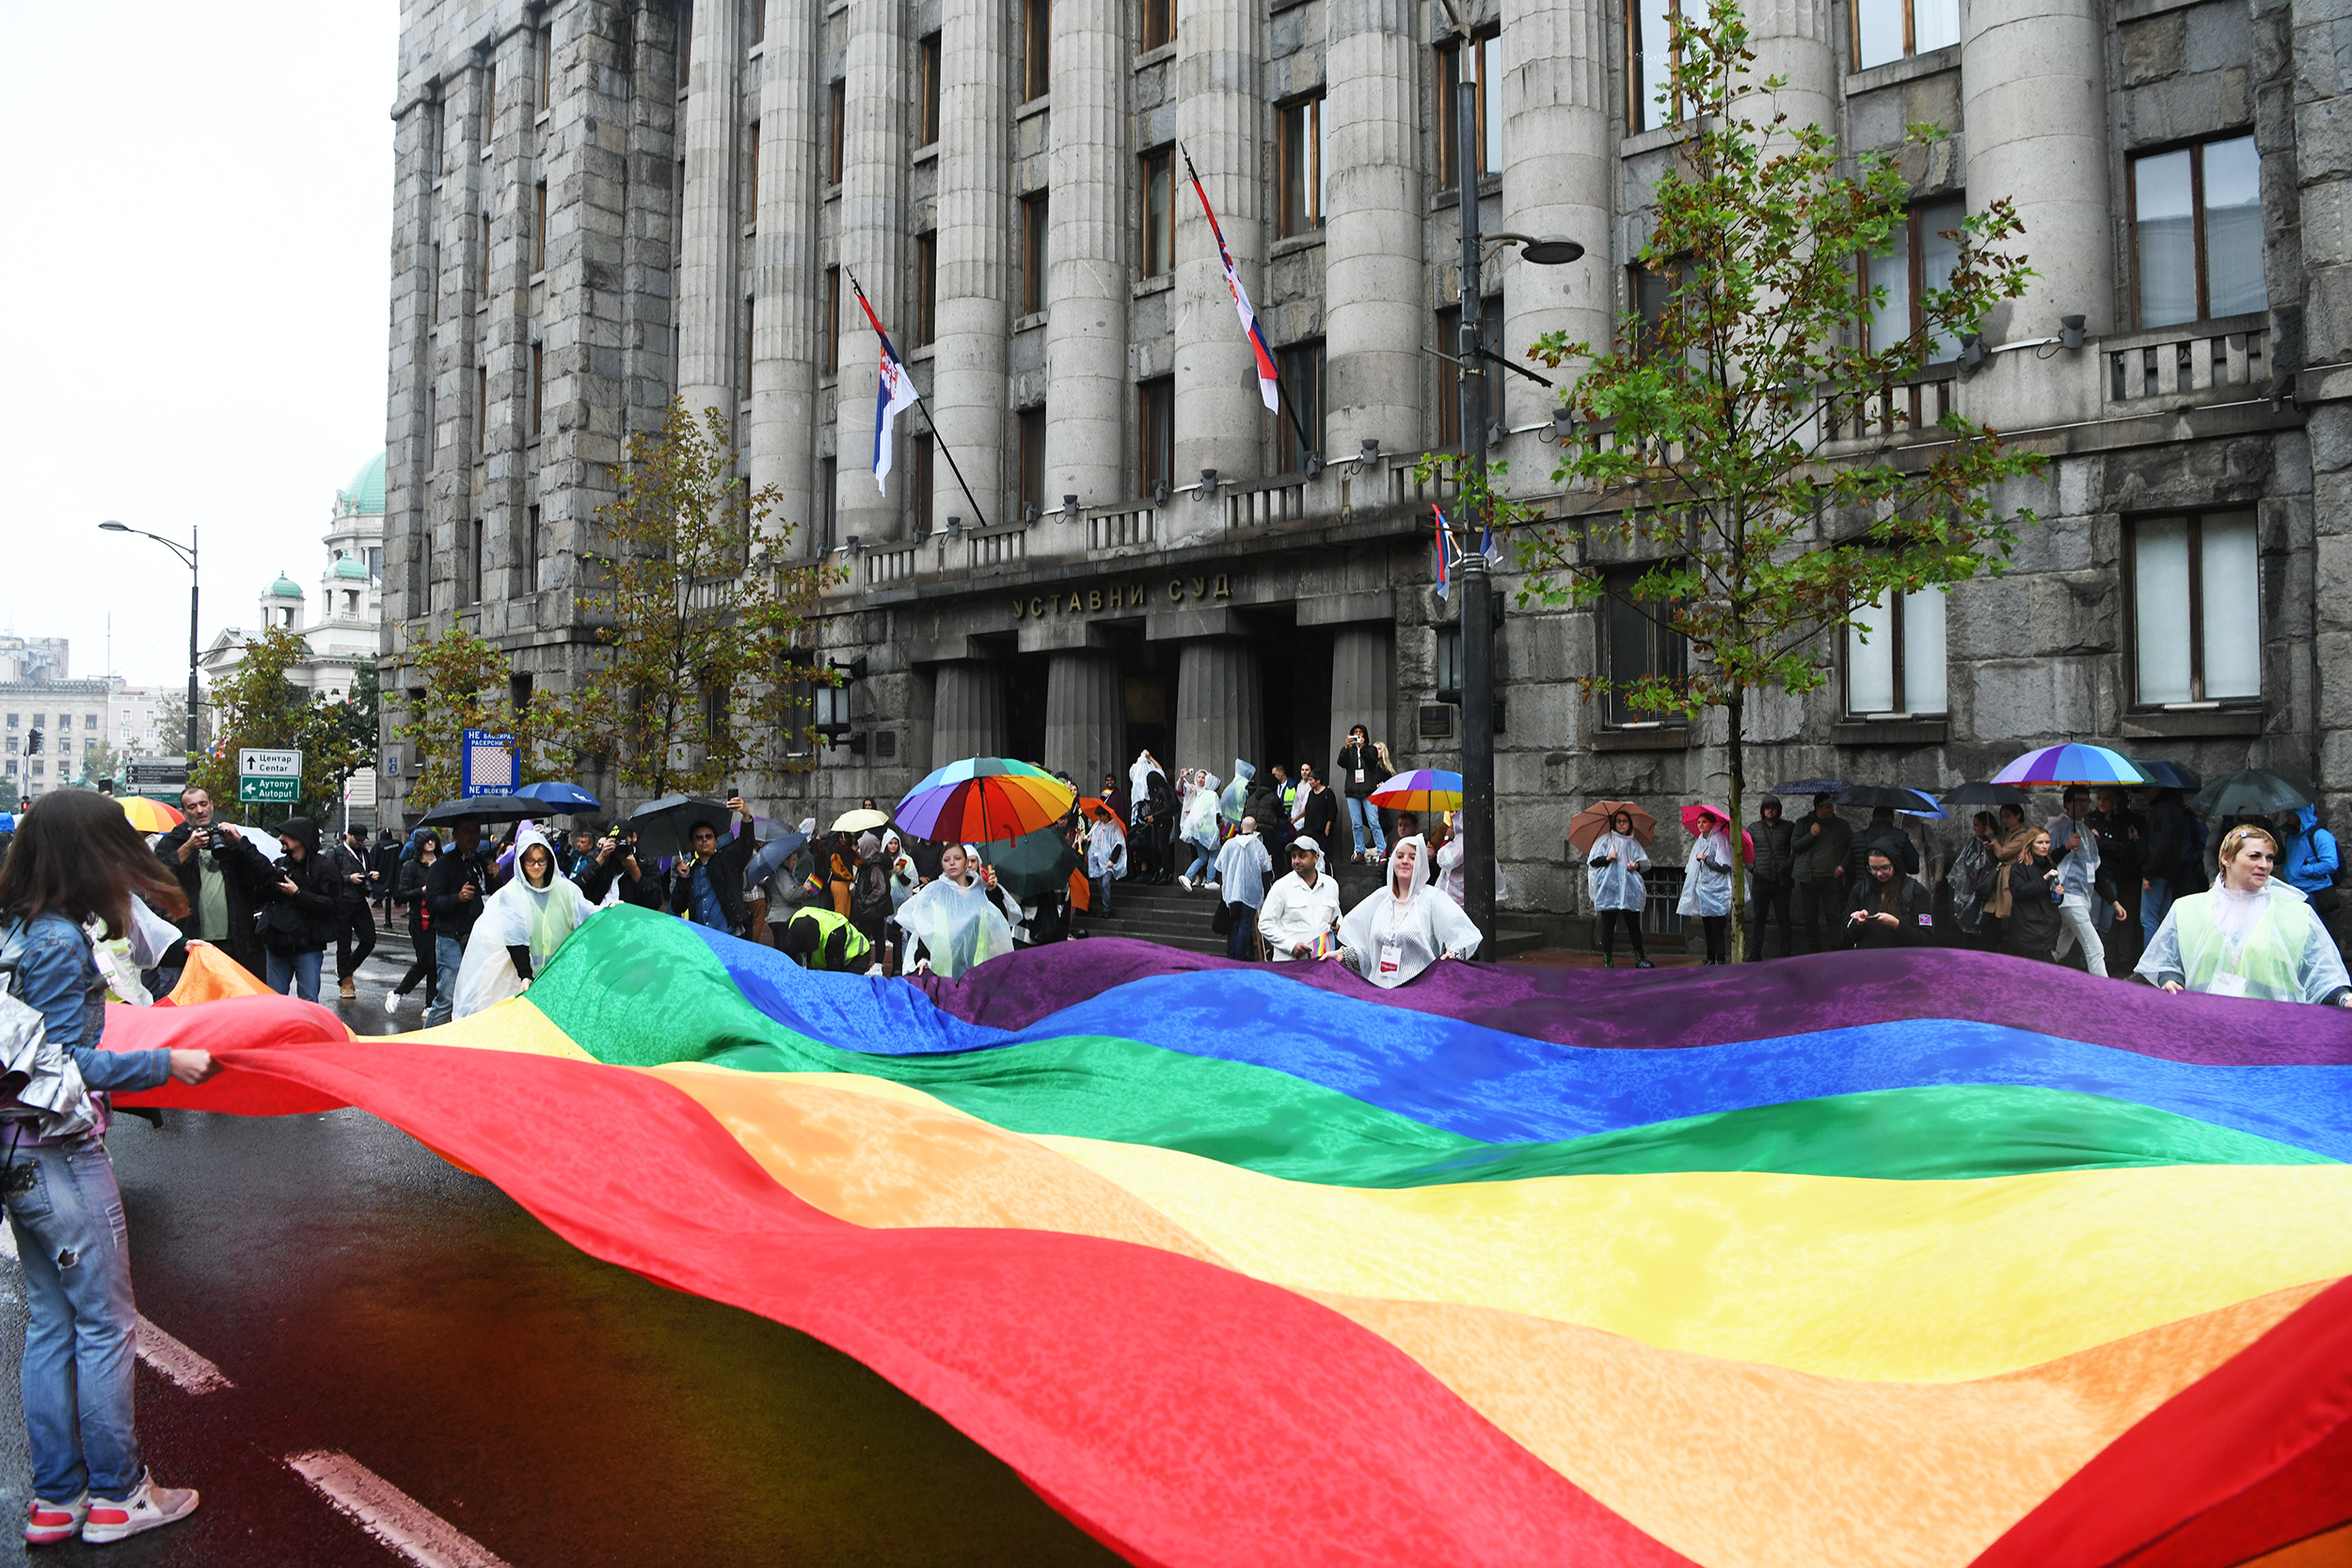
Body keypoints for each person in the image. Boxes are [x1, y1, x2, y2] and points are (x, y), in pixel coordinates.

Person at [0, 789, 216, 1546]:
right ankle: (120, 1494)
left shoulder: (20, 932)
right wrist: (165, 1062)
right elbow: (58, 1061)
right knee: (104, 1322)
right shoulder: (59, 941)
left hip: (19, 1154)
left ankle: (57, 1500)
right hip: (59, 1149)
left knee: (54, 1321)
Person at [2137, 824, 2352, 1005]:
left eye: (2269, 858)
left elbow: (2322, 969)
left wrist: (2343, 997)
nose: (2264, 865)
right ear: (2226, 859)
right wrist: (2170, 979)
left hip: (2272, 1031)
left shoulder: (2297, 914)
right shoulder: (2187, 909)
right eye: (2254, 856)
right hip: (2207, 1026)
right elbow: (2166, 960)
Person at [450, 827, 600, 1017]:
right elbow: (515, 936)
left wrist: (611, 909)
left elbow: (587, 912)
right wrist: (525, 974)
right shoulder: (511, 895)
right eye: (530, 862)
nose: (536, 867)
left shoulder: (564, 890)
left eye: (541, 861)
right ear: (521, 862)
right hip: (519, 979)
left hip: (557, 980)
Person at [151, 785, 278, 983]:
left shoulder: (228, 838)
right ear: (183, 812)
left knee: (233, 1005)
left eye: (203, 804)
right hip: (193, 941)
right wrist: (188, 848)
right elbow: (156, 877)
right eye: (192, 807)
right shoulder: (174, 841)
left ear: (211, 805)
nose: (199, 810)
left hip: (236, 941)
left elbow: (266, 874)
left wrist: (240, 843)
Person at [1335, 836, 1484, 987]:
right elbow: (1366, 951)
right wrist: (1342, 955)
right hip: (1379, 993)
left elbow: (1463, 937)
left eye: (1412, 857)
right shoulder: (1380, 898)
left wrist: (1452, 957)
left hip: (1417, 995)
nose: (1405, 861)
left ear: (1420, 863)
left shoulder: (1433, 899)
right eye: (1400, 856)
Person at [898, 844, 1017, 977]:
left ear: (966, 863)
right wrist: (923, 958)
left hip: (979, 970)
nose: (952, 863)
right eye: (946, 860)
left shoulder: (981, 890)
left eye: (957, 858)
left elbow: (1000, 921)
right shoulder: (935, 892)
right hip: (944, 972)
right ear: (942, 864)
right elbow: (926, 928)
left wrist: (993, 891)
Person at [257, 817, 342, 1003]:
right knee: (274, 1002)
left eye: (286, 835)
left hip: (307, 947)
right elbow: (264, 899)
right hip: (277, 946)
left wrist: (298, 894)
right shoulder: (280, 864)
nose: (280, 838)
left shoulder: (324, 867)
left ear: (301, 838)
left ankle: (308, 1033)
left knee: (308, 1002)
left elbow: (333, 905)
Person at [422, 817, 494, 1027]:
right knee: (448, 998)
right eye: (466, 831)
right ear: (455, 835)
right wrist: (457, 897)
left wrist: (496, 876)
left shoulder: (481, 862)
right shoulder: (443, 865)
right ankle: (425, 1047)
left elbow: (494, 895)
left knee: (474, 997)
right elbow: (433, 903)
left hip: (478, 938)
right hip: (451, 939)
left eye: (476, 830)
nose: (472, 836)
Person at [2049, 811, 2128, 979]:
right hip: (2068, 897)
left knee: (2060, 948)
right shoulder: (2057, 830)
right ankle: (2104, 990)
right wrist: (2065, 847)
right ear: (2068, 803)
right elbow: (2046, 860)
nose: (2083, 805)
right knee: (2094, 948)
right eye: (2078, 801)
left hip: (2081, 897)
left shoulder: (2086, 833)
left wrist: (2113, 902)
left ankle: (2035, 974)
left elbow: (2094, 870)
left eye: (2085, 800)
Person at [668, 797, 759, 935]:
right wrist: (683, 878)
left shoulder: (728, 859)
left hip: (730, 934)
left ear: (715, 841)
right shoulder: (690, 869)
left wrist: (746, 816)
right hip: (702, 936)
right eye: (699, 837)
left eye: (709, 836)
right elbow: (678, 906)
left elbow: (746, 845)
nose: (704, 839)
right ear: (693, 843)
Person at [1979, 826, 2063, 964]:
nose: (2044, 846)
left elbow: (2053, 899)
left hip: (2048, 927)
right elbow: (2019, 891)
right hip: (2028, 928)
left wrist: (2059, 893)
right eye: (2040, 843)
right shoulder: (2019, 868)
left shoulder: (2050, 867)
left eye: (2047, 842)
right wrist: (2044, 879)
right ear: (2031, 844)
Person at [1585, 809, 1652, 968]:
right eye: (1619, 821)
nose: (1622, 824)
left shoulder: (1633, 843)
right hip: (1609, 888)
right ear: (1614, 824)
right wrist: (1608, 858)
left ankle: (1640, 958)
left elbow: (1644, 863)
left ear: (1630, 824)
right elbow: (1593, 861)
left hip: (1629, 889)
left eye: (1625, 821)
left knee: (1633, 925)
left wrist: (1636, 865)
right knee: (1608, 925)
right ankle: (1608, 960)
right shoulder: (1605, 841)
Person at [1259, 837, 1343, 960]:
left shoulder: (1331, 885)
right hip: (1289, 964)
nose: (1296, 861)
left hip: (1322, 962)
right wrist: (1291, 946)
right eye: (1293, 856)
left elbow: (1337, 914)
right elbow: (1265, 923)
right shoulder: (1281, 886)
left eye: (1302, 856)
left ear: (1316, 858)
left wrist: (1338, 925)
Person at [387, 830, 441, 1015]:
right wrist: (422, 890)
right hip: (420, 920)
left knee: (435, 962)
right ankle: (397, 992)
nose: (431, 843)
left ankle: (430, 1004)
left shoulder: (441, 863)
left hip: (440, 917)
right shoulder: (411, 867)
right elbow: (402, 894)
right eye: (427, 840)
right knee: (426, 961)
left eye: (433, 839)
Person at [1791, 796, 1853, 954]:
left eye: (1832, 806)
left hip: (1832, 878)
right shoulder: (1804, 823)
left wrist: (1843, 866)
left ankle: (1836, 948)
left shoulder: (1841, 825)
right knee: (1810, 917)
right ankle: (1814, 949)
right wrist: (1811, 835)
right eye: (1828, 807)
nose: (1831, 809)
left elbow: (1851, 848)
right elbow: (1795, 846)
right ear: (1818, 807)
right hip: (1809, 878)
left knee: (1834, 915)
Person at [1843, 847, 1936, 947]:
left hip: (1902, 958)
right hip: (1868, 958)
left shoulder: (1916, 891)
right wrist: (1857, 924)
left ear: (1895, 864)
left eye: (1885, 867)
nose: (1879, 873)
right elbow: (1844, 938)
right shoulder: (1860, 890)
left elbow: (1926, 939)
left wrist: (1896, 925)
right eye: (1874, 868)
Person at [1677, 807, 1737, 964]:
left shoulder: (1719, 839)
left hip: (1718, 891)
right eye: (1698, 822)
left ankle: (1721, 959)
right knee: (1707, 927)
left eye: (1704, 822)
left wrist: (1706, 859)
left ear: (1712, 823)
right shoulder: (1701, 841)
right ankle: (1710, 958)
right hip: (1704, 891)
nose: (1700, 825)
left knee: (1718, 928)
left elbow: (1725, 866)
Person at [325, 826, 377, 1000]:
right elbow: (326, 876)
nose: (361, 842)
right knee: (344, 944)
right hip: (342, 902)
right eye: (358, 838)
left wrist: (370, 876)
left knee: (369, 939)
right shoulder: (335, 853)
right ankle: (346, 981)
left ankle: (347, 968)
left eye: (363, 839)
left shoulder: (364, 853)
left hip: (360, 900)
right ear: (348, 835)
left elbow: (365, 870)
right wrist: (348, 879)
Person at [1213, 816, 1274, 960]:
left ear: (1241, 827)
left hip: (1232, 892)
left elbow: (1219, 867)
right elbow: (1267, 869)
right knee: (1245, 924)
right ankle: (1239, 955)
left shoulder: (1229, 844)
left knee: (1234, 923)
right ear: (1255, 828)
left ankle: (1231, 954)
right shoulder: (1258, 845)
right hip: (1251, 892)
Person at [1744, 796, 1795, 961]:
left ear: (1778, 811)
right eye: (1767, 808)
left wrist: (1788, 864)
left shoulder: (1788, 828)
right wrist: (1753, 869)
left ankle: (1785, 952)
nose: (1770, 810)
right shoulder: (1753, 829)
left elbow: (1796, 848)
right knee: (1759, 918)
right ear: (1762, 810)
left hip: (1782, 880)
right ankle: (1755, 952)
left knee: (1783, 917)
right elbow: (1745, 850)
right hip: (1761, 880)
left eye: (1773, 808)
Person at [2140, 786, 2190, 942]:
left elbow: (2159, 844)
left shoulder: (2160, 812)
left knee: (2149, 918)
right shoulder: (2176, 810)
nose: (2144, 792)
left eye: (2147, 788)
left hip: (2157, 872)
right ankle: (2163, 962)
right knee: (2164, 919)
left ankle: (2150, 964)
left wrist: (2148, 872)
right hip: (2170, 872)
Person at [1336, 725, 1389, 862]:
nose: (1358, 735)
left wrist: (1363, 748)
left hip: (1368, 791)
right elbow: (1341, 762)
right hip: (1352, 792)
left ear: (1365, 736)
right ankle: (1359, 850)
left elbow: (1372, 762)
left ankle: (1382, 850)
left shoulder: (1371, 749)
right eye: (1355, 733)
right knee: (1356, 824)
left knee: (1374, 822)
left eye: (1360, 733)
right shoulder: (1350, 751)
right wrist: (1346, 748)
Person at [1947, 812, 1998, 946]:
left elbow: (1993, 862)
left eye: (1977, 825)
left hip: (1988, 889)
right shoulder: (1973, 841)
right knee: (1969, 924)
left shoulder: (1995, 841)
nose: (1974, 828)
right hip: (1971, 889)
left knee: (1985, 927)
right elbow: (1967, 864)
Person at [777, 903, 875, 971]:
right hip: (825, 953)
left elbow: (833, 974)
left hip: (856, 957)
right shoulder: (793, 921)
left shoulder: (834, 934)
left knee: (843, 989)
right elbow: (787, 959)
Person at [2280, 804, 2342, 912]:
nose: (2287, 815)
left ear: (2300, 814)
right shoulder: (2291, 837)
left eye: (2291, 812)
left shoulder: (2320, 835)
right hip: (2296, 891)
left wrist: (2304, 870)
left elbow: (2330, 864)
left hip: (2315, 892)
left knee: (2315, 928)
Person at [1175, 768, 1223, 891]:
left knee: (1202, 856)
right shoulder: (1213, 795)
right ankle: (1210, 880)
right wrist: (1220, 822)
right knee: (1215, 853)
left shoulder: (1201, 794)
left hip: (1195, 831)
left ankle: (1187, 876)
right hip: (1207, 831)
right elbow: (1216, 814)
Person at [1086, 808, 1126, 917]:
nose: (1099, 818)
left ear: (1107, 815)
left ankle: (1107, 908)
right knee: (1101, 885)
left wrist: (1112, 860)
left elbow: (1118, 844)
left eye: (1101, 816)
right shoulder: (1097, 825)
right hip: (1097, 859)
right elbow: (1091, 835)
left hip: (1108, 861)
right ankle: (1105, 907)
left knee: (1105, 884)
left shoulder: (1114, 827)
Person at [1298, 766, 1341, 856]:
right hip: (1310, 830)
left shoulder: (1327, 793)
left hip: (1321, 830)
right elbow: (1307, 809)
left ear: (1318, 780)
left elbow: (1332, 812)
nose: (1309, 782)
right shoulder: (1310, 793)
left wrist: (1327, 828)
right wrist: (1295, 819)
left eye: (1311, 780)